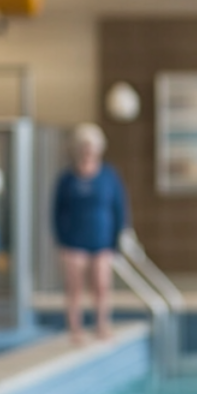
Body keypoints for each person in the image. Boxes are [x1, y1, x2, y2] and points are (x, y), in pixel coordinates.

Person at [53, 123, 130, 341]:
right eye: (84, 146)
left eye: (92, 146)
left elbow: (119, 209)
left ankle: (101, 325)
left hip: (102, 241)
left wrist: (117, 240)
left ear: (99, 149)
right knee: (74, 287)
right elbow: (57, 212)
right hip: (74, 242)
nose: (88, 151)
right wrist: (63, 241)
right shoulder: (67, 179)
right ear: (78, 148)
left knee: (102, 286)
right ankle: (75, 329)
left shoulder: (108, 176)